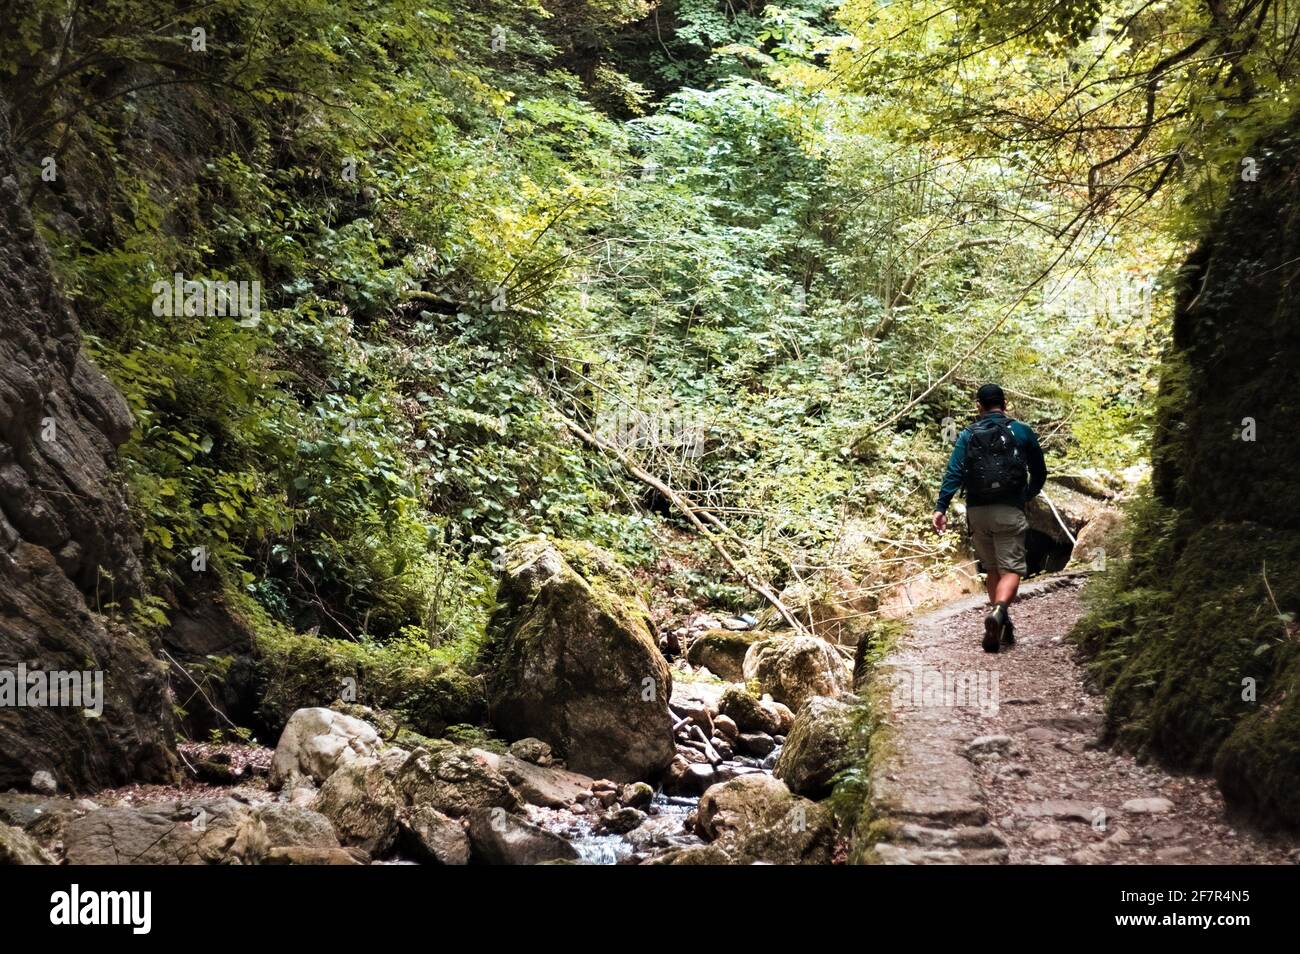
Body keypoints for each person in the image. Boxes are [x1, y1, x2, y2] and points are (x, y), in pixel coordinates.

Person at [931, 384, 1047, 652]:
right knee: (1013, 569)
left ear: (978, 406)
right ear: (1005, 404)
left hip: (977, 512)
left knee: (993, 569)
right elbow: (1039, 471)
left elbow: (954, 472)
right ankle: (1000, 612)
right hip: (1009, 509)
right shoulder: (1021, 430)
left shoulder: (967, 435)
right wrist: (1027, 494)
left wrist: (941, 507)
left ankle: (1002, 627)